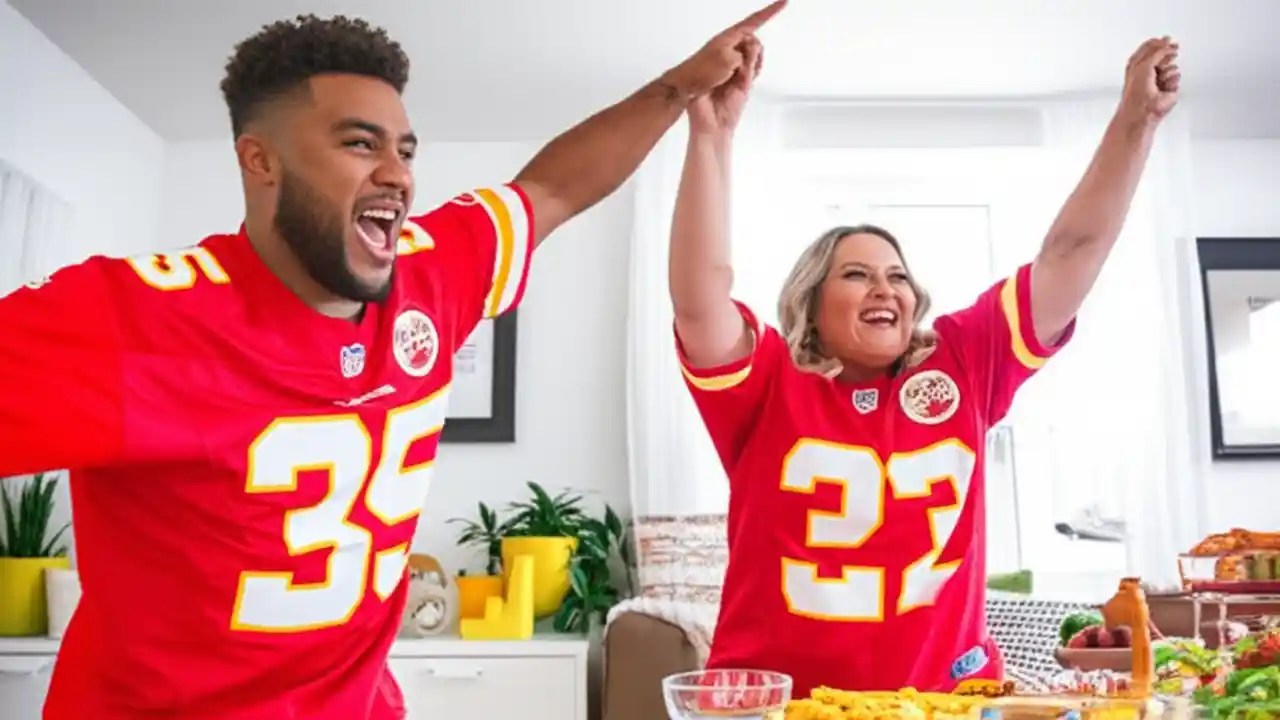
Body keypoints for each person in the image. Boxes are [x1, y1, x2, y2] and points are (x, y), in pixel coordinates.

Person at [0, 5, 786, 719]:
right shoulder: (136, 317)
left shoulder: (429, 273)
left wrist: (680, 88)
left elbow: (550, 189)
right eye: (358, 143)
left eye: (405, 149)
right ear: (259, 160)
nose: (398, 174)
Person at [667, 37, 1180, 698]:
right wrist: (711, 134)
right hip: (775, 705)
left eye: (898, 276)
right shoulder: (765, 381)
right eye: (857, 274)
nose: (886, 288)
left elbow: (1071, 251)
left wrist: (1137, 120)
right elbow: (698, 295)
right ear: (811, 303)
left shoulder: (965, 361)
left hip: (945, 702)